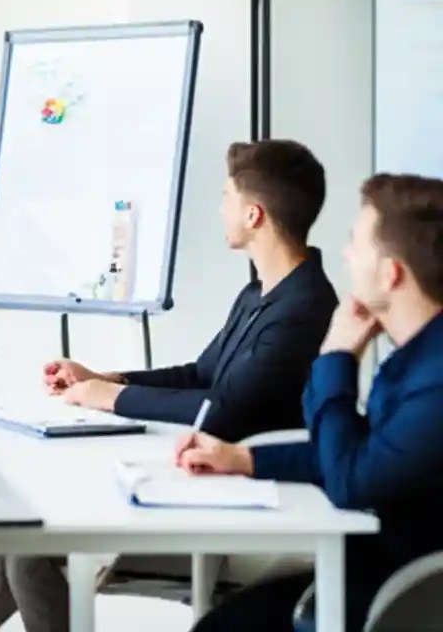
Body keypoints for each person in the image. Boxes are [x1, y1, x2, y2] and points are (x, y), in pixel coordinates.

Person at [0, 139, 338, 632]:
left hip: (249, 512)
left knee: (28, 556)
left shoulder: (304, 306)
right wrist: (108, 378)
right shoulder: (260, 292)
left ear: (253, 215)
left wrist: (110, 399)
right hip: (207, 485)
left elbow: (225, 409)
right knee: (21, 543)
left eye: (226, 196)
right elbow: (201, 374)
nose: (220, 207)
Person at [179, 173, 443, 632]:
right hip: (388, 568)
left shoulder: (436, 382)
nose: (344, 255)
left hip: (411, 594)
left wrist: (337, 356)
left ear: (391, 273)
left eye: (355, 244)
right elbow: (363, 453)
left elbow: (350, 478)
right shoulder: (420, 359)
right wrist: (242, 458)